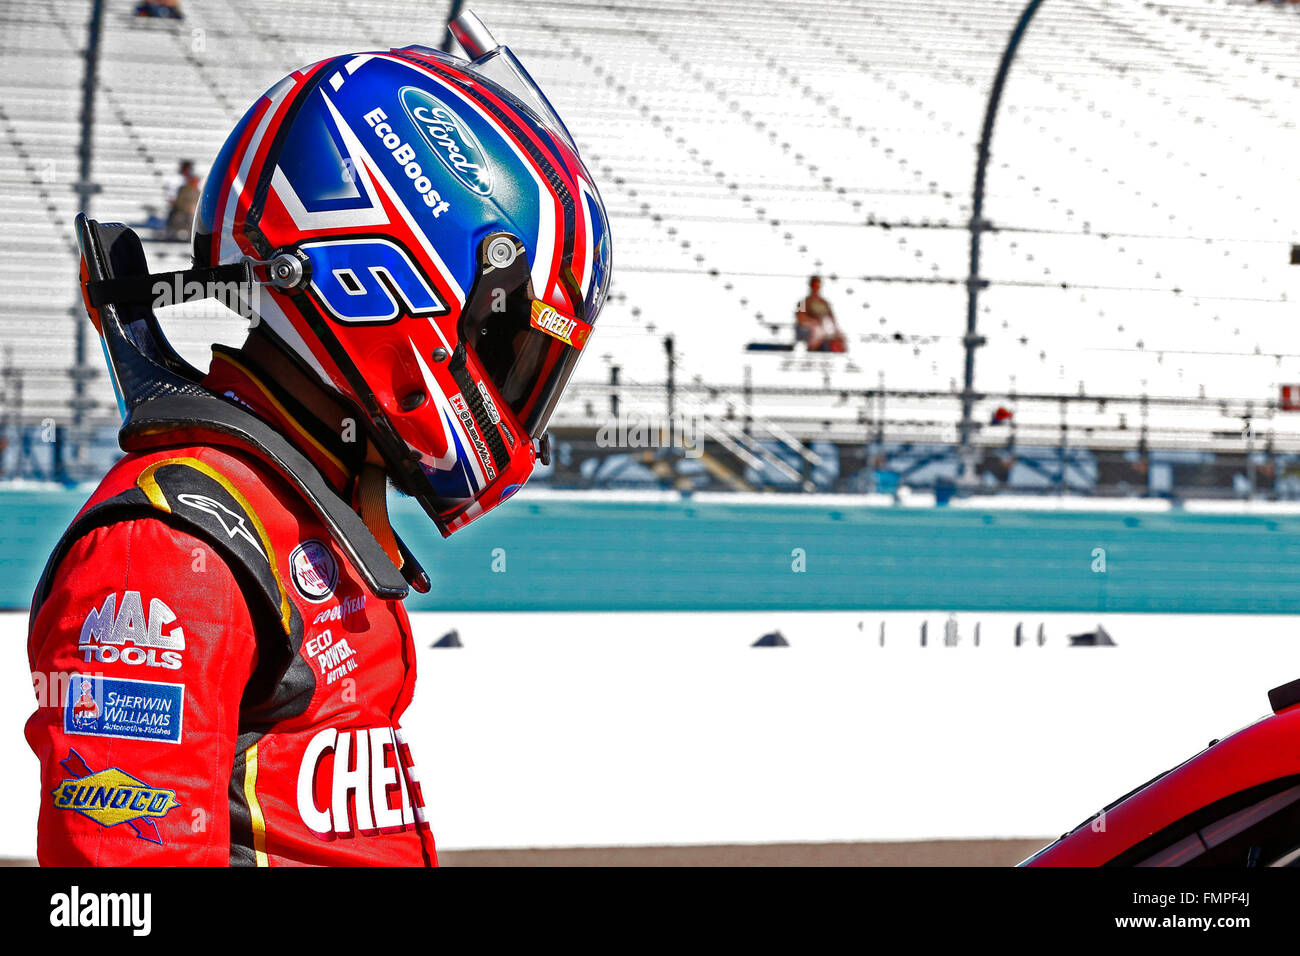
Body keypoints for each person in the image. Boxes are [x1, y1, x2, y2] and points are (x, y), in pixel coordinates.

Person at [25, 14, 611, 866]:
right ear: (373, 284)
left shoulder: (296, 515)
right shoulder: (165, 552)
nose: (518, 399)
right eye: (508, 349)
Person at [795, 276, 847, 352]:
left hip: (826, 327)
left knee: (841, 338)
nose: (816, 287)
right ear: (810, 286)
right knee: (818, 332)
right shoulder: (803, 302)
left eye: (818, 285)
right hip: (812, 329)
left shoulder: (824, 302)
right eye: (814, 285)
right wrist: (813, 323)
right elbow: (800, 318)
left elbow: (832, 318)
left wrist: (837, 331)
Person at [164, 160, 200, 240]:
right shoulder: (177, 180)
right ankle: (171, 233)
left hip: (191, 209)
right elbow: (171, 197)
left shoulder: (195, 181)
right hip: (179, 208)